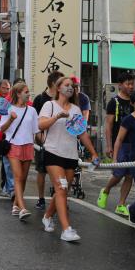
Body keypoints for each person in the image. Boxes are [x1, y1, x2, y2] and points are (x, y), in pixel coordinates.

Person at [37, 76, 98, 242]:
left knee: (63, 191)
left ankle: (47, 216)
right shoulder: (49, 105)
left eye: (72, 86)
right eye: (67, 85)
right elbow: (41, 125)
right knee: (61, 187)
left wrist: (93, 153)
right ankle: (66, 229)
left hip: (71, 155)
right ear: (58, 88)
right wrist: (57, 117)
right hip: (53, 152)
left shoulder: (76, 109)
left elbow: (82, 133)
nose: (70, 88)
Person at [111, 91, 135, 233]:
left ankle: (133, 209)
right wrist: (115, 159)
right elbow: (119, 140)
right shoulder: (128, 120)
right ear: (132, 103)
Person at [0, 81, 39, 220]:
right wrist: (11, 119)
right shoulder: (8, 109)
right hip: (13, 145)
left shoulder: (32, 110)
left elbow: (36, 131)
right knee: (17, 177)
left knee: (23, 178)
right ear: (18, 93)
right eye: (26, 92)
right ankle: (22, 208)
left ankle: (16, 205)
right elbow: (2, 129)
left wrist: (45, 144)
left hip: (28, 145)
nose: (29, 94)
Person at [100, 73, 135, 217]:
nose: (131, 86)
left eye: (132, 84)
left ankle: (121, 204)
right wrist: (109, 145)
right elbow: (108, 125)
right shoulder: (114, 102)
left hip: (133, 143)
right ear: (120, 85)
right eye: (128, 84)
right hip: (119, 144)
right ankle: (106, 190)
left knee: (129, 175)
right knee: (119, 173)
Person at [32, 71, 64, 210]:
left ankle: (60, 198)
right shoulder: (40, 99)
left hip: (60, 141)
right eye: (61, 82)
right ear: (53, 83)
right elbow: (34, 122)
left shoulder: (63, 99)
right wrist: (40, 138)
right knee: (42, 170)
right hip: (43, 141)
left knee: (60, 172)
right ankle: (41, 198)